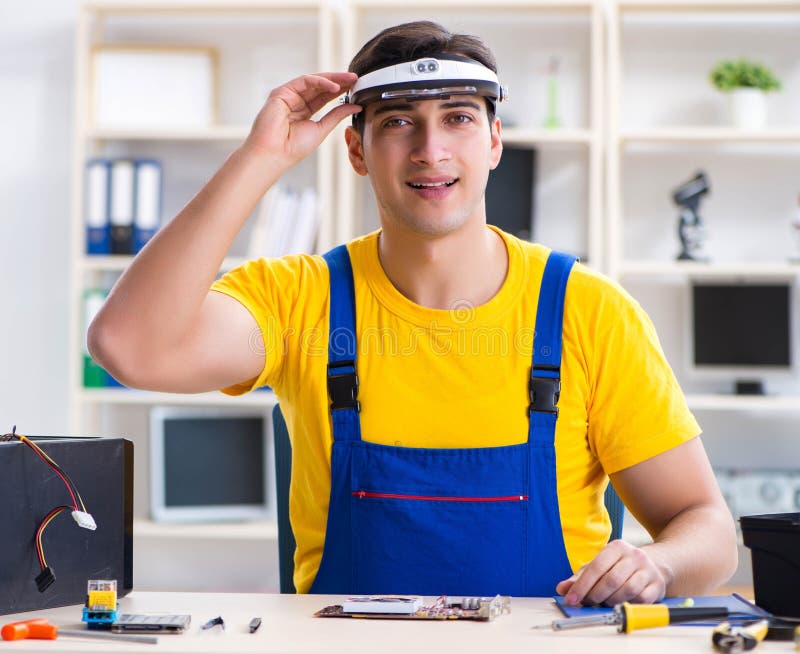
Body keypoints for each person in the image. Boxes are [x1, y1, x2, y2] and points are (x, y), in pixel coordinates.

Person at [89, 21, 737, 604]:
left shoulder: (590, 311)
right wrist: (261, 158)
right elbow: (128, 346)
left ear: (494, 141)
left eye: (458, 118)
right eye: (399, 122)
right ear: (356, 150)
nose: (431, 149)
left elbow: (707, 530)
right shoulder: (298, 299)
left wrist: (657, 564)